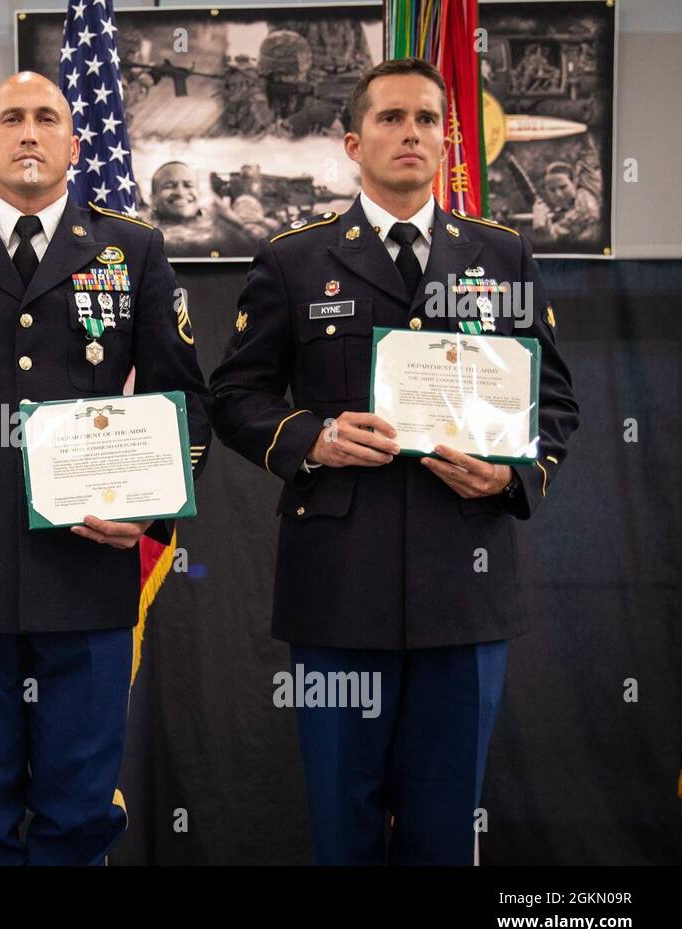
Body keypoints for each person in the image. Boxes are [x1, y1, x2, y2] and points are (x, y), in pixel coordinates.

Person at [210, 58, 578, 864]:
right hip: (339, 583)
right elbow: (235, 398)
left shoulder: (503, 255)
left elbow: (554, 406)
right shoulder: (292, 261)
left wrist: (511, 476)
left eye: (425, 120)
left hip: (464, 580)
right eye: (389, 118)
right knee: (343, 824)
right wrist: (315, 438)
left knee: (446, 828)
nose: (410, 132)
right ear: (352, 140)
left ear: (446, 145)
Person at [0, 71, 212, 865]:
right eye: (11, 118)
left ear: (73, 144)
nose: (29, 131)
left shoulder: (133, 248)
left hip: (90, 564)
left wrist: (151, 515)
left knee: (80, 805)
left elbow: (183, 401)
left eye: (46, 117)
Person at [533, 161, 599, 244]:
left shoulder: (585, 200)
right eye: (552, 190)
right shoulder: (564, 208)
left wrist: (541, 224)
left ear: (574, 183)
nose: (558, 194)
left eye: (563, 187)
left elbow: (553, 239)